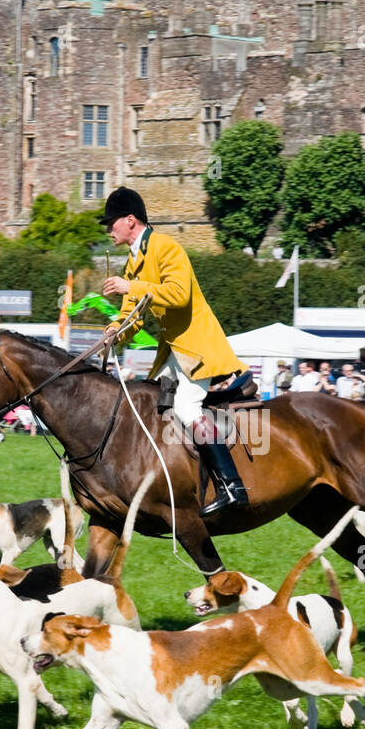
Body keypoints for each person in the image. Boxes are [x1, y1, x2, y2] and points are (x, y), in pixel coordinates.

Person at [99, 187, 250, 515]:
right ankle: (172, 480)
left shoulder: (166, 247)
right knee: (151, 403)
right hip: (173, 352)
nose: (107, 229)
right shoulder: (133, 262)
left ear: (130, 220)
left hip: (197, 347)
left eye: (111, 222)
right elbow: (132, 318)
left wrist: (131, 287)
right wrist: (113, 332)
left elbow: (179, 294)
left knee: (185, 405)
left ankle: (232, 485)